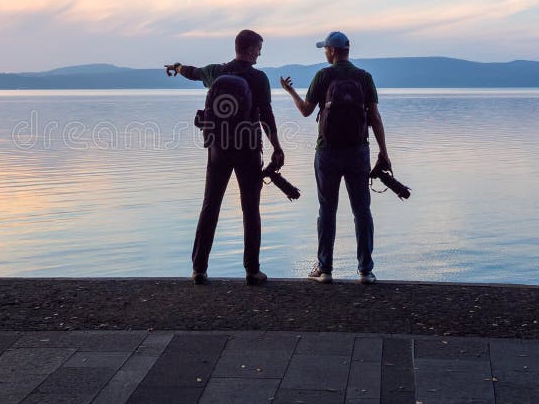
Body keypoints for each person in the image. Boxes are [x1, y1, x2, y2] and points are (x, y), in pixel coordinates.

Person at [165, 29, 285, 286]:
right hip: (249, 149)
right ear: (250, 49)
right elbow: (266, 115)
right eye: (259, 49)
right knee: (250, 209)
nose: (260, 53)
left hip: (218, 148)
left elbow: (194, 72)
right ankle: (252, 270)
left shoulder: (217, 71)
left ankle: (199, 269)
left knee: (210, 205)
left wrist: (177, 67)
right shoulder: (259, 78)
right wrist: (276, 146)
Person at [280, 31, 390, 284]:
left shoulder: (324, 75)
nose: (325, 53)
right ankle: (366, 271)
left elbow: (307, 111)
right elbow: (374, 117)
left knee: (327, 210)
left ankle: (325, 269)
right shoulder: (364, 77)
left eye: (325, 49)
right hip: (358, 151)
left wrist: (291, 92)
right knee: (362, 210)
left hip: (327, 152)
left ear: (332, 51)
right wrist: (384, 153)